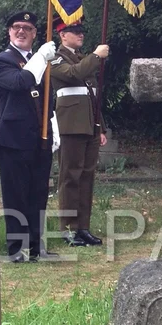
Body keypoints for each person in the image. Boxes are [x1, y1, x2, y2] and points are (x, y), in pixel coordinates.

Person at [0, 11, 60, 262]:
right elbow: (22, 81)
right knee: (16, 196)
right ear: (9, 32)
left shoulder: (43, 62)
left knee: (38, 195)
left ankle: (36, 247)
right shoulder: (3, 61)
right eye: (16, 27)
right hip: (13, 139)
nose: (21, 31)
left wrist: (53, 129)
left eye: (27, 28)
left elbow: (47, 100)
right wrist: (41, 56)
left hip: (39, 138)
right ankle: (16, 249)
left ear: (34, 33)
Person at [49, 21, 110, 246]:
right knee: (70, 177)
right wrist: (96, 56)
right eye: (75, 32)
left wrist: (100, 127)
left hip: (89, 125)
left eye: (82, 31)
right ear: (63, 35)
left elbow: (92, 96)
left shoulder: (82, 58)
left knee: (86, 177)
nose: (80, 35)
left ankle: (83, 227)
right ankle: (68, 228)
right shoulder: (56, 59)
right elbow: (74, 74)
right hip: (70, 125)